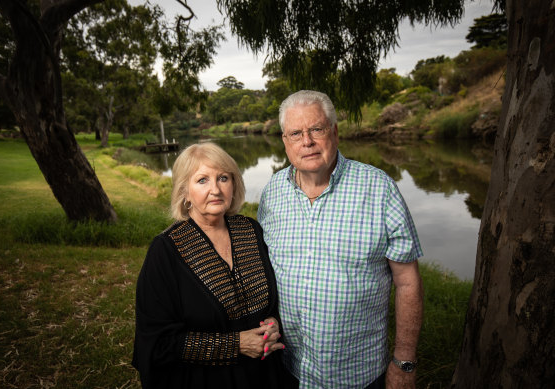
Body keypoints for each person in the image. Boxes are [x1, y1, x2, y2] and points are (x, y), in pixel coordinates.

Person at [257, 90, 424, 389]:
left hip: (358, 375)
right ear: (284, 141)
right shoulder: (272, 193)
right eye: (295, 133)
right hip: (288, 368)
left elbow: (407, 282)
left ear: (334, 132)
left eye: (316, 129)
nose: (306, 141)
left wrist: (403, 361)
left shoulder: (379, 189)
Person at [132, 142, 285, 388]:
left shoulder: (251, 230)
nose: (215, 189)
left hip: (266, 375)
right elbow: (158, 344)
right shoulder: (166, 252)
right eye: (202, 180)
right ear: (184, 191)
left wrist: (274, 323)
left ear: (234, 184)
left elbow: (274, 299)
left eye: (223, 178)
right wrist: (236, 345)